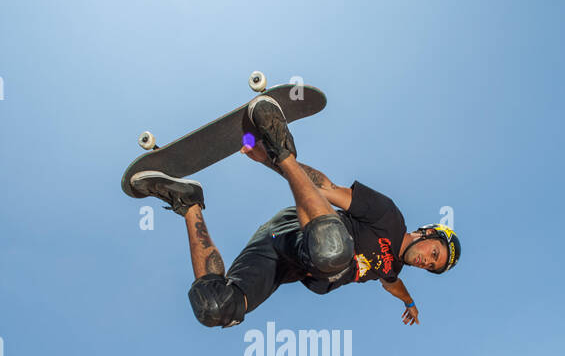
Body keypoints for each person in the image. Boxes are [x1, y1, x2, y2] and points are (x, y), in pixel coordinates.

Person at [129, 96, 461, 329]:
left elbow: (393, 285)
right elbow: (326, 189)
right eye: (434, 253)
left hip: (282, 260)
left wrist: (409, 303)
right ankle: (278, 139)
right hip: (300, 229)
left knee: (215, 309)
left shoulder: (392, 269)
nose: (427, 261)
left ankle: (188, 203)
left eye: (431, 266)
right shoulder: (389, 217)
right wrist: (271, 158)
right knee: (333, 250)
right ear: (427, 233)